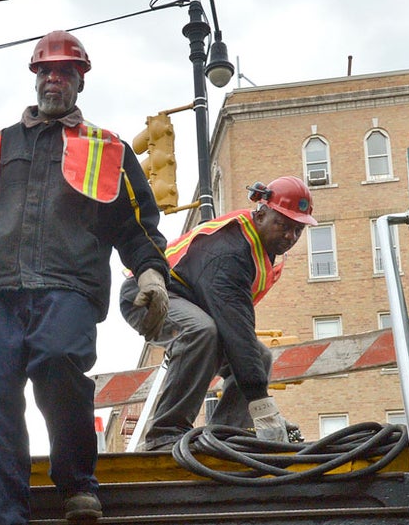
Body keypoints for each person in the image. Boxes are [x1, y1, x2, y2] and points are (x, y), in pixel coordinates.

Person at [0, 30, 170, 525]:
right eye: (46, 71)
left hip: (68, 286)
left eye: (65, 72)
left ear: (81, 80)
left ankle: (75, 479)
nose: (53, 80)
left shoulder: (109, 150)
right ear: (35, 77)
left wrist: (152, 272)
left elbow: (137, 226)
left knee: (60, 364)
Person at [119, 176, 317, 451]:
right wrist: (263, 406)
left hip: (189, 299)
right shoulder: (230, 251)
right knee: (201, 331)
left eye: (298, 230)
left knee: (259, 356)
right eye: (283, 225)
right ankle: (165, 434)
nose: (289, 237)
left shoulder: (258, 248)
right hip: (149, 294)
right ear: (261, 214)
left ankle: (227, 437)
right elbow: (236, 327)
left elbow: (240, 335)